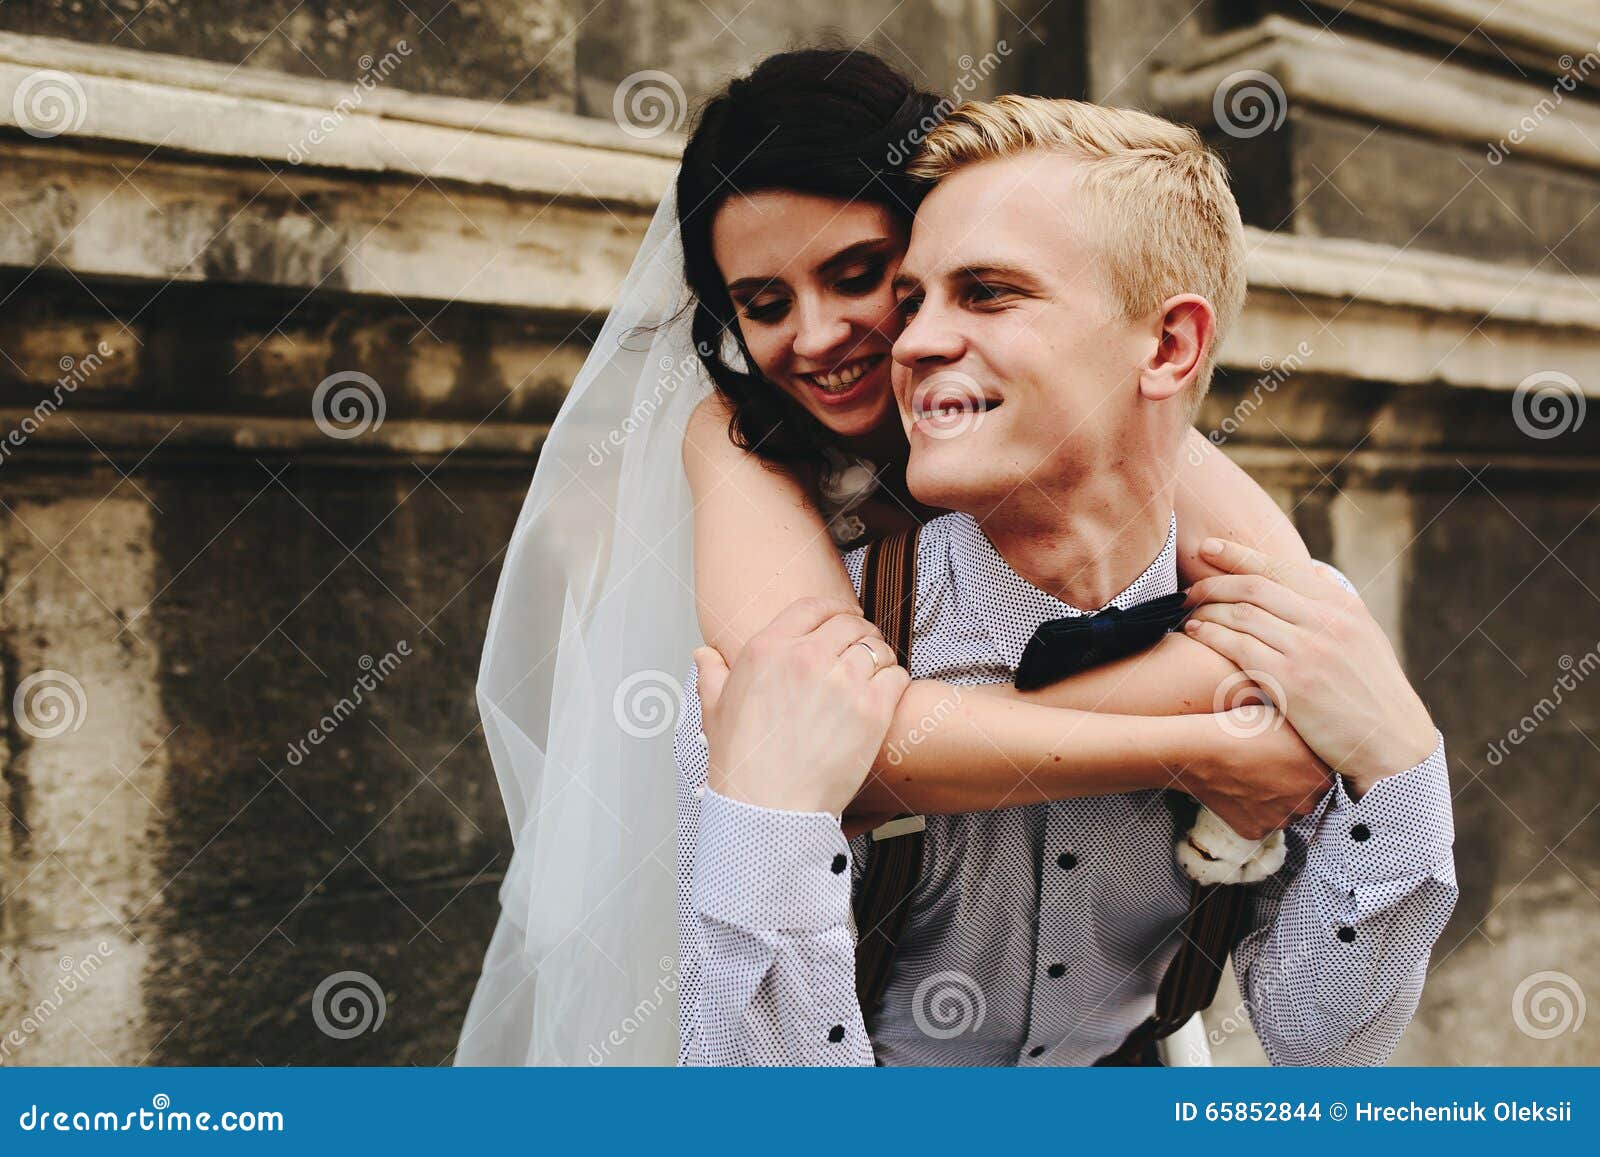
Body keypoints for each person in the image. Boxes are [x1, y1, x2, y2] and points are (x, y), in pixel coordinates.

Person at [460, 49, 1320, 1067]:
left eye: (856, 274)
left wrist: (944, 745)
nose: (817, 336)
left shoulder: (1069, 415)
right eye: (763, 303)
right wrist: (1199, 748)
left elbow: (1283, 633)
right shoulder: (733, 433)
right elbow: (832, 725)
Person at [676, 95, 1457, 1066]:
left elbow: (1330, 1052)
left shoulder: (1281, 618)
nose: (871, 338)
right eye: (914, 299)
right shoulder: (782, 640)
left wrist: (1399, 758)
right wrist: (1212, 743)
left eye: (981, 291)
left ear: (1168, 346)